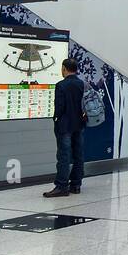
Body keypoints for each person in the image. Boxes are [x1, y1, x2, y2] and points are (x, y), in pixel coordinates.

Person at [44, 57, 86, 197]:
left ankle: (62, 186)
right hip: (79, 124)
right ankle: (76, 184)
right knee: (78, 154)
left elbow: (59, 107)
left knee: (64, 155)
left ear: (64, 68)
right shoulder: (82, 84)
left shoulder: (61, 85)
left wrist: (55, 118)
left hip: (64, 125)